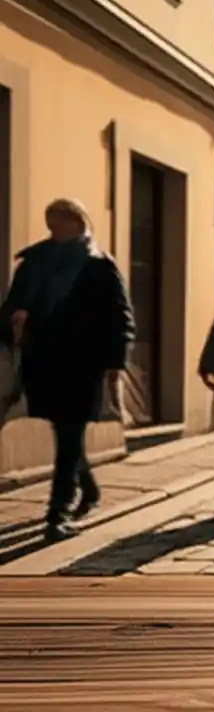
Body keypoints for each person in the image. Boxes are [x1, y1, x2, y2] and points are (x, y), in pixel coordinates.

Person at [0, 199, 135, 541]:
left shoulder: (98, 264)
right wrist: (14, 320)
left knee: (69, 431)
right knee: (65, 431)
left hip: (82, 362)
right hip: (42, 359)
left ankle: (57, 513)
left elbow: (120, 316)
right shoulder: (34, 262)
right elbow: (13, 303)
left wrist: (115, 363)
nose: (53, 229)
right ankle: (88, 488)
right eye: (49, 222)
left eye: (58, 221)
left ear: (77, 221)